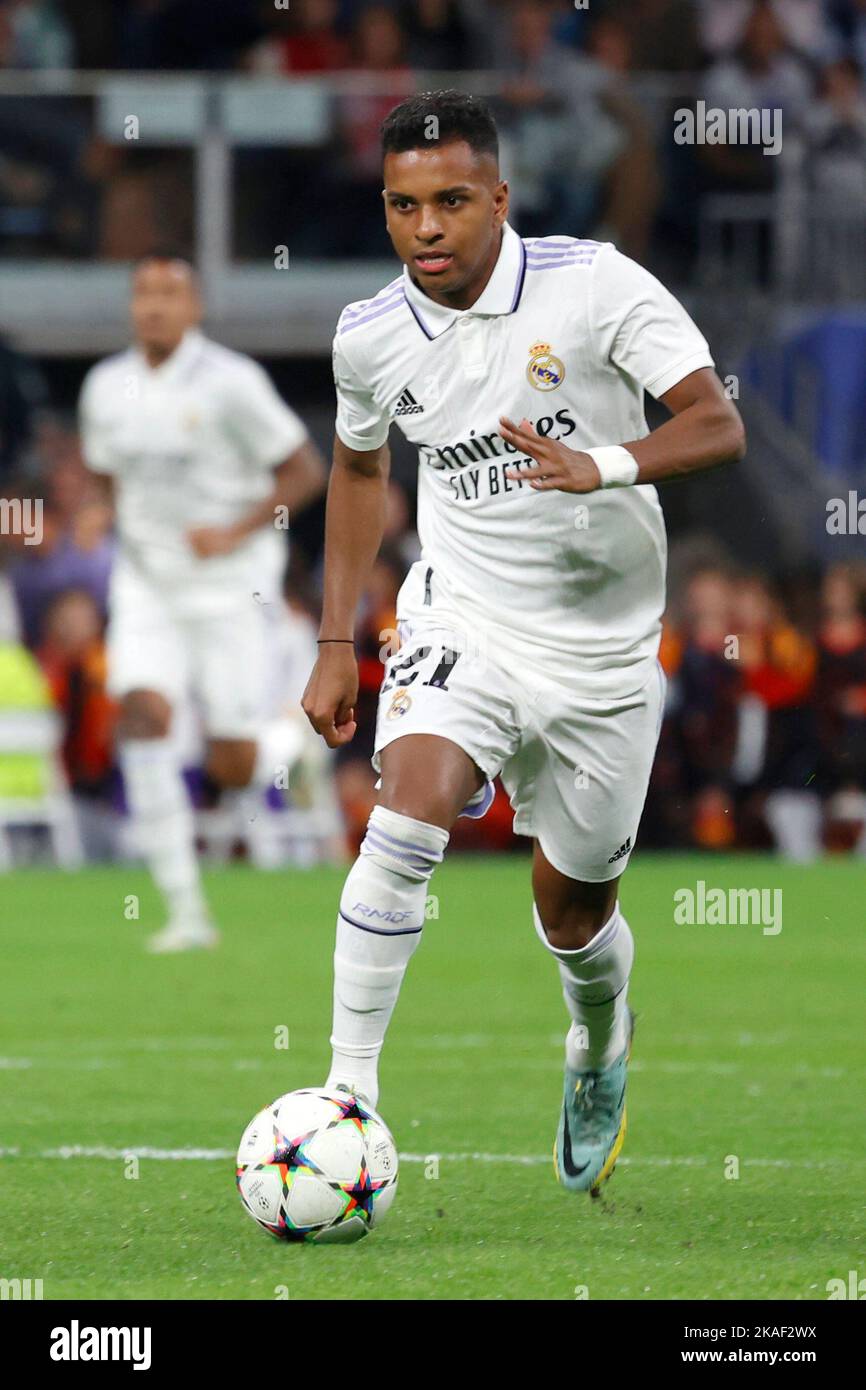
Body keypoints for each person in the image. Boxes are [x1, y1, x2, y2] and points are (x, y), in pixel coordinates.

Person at [301, 91, 745, 1196]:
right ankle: (345, 1100)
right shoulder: (368, 337)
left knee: (573, 908)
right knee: (405, 806)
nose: (428, 230)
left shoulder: (592, 285)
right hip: (463, 613)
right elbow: (359, 472)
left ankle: (596, 1041)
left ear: (498, 196)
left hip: (601, 650)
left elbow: (714, 422)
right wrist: (331, 635)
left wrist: (596, 464)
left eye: (452, 201)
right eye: (404, 206)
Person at [79, 255, 326, 951]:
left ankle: (289, 748)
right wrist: (101, 515)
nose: (154, 306)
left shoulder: (233, 383)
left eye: (169, 294)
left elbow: (306, 470)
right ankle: (186, 910)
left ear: (195, 308)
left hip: (231, 584)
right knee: (142, 713)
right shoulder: (104, 387)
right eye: (144, 294)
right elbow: (104, 476)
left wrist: (236, 531)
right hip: (147, 582)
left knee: (232, 763)